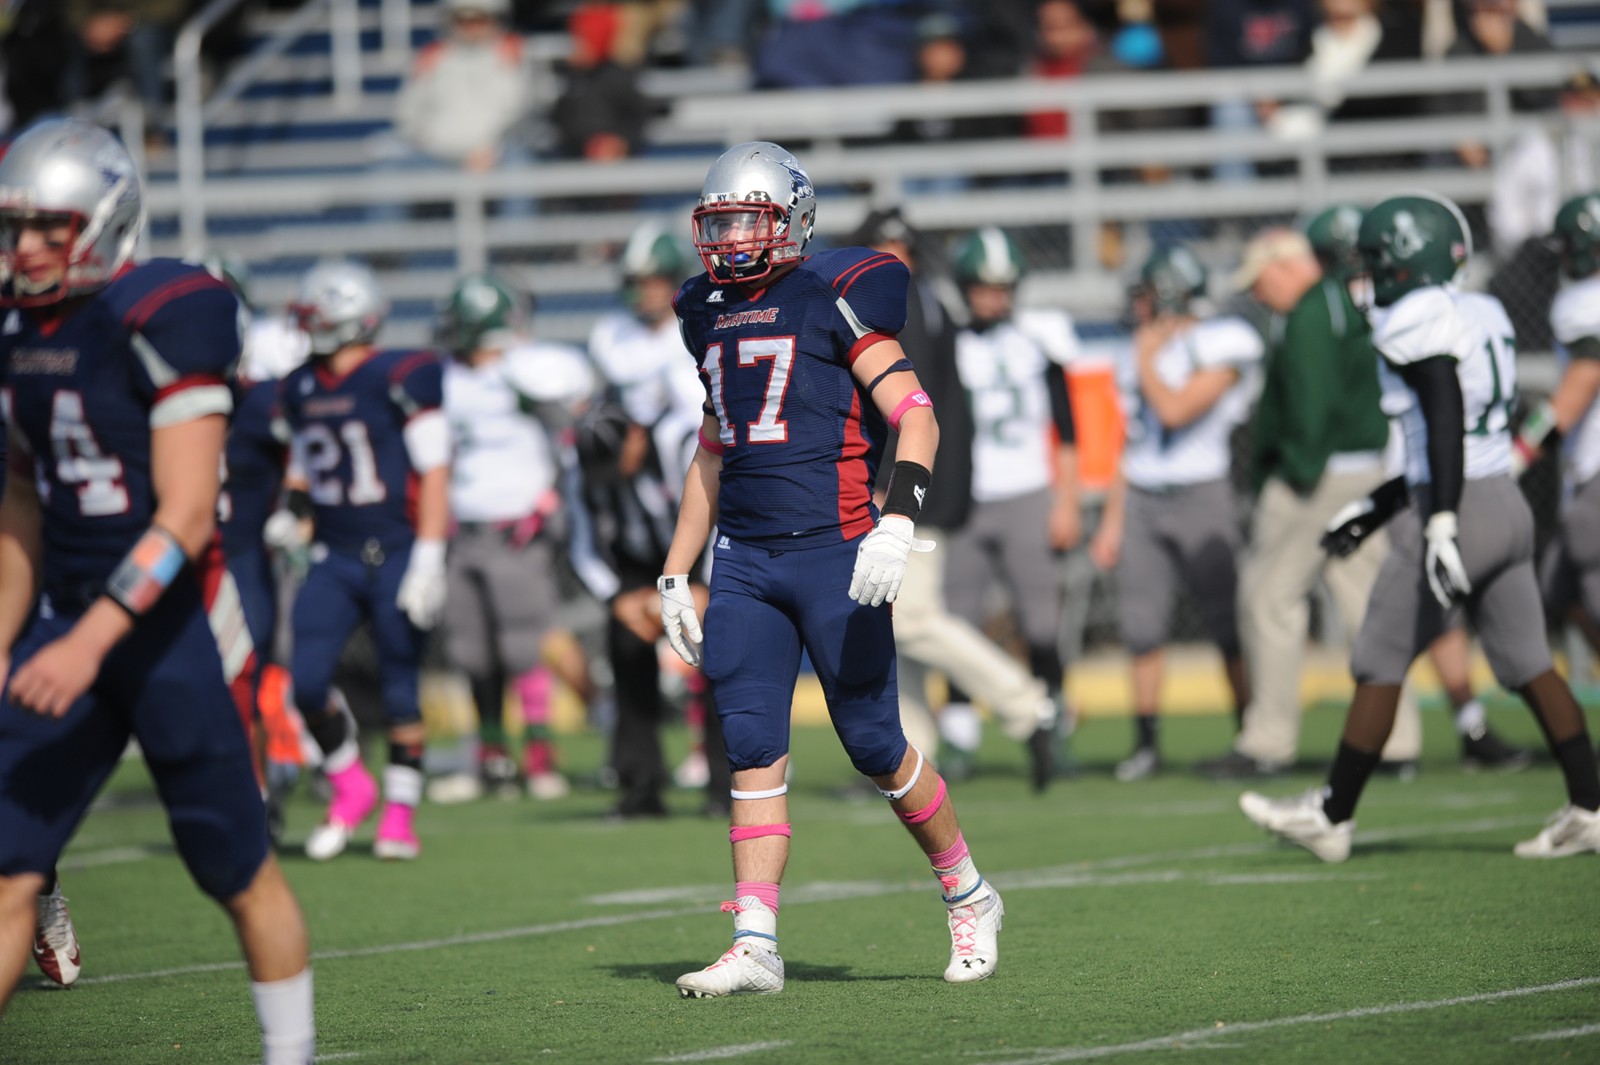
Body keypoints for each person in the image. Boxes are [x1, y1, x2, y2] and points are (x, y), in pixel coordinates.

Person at [0, 119, 314, 1062]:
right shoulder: (17, 331)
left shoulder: (167, 311)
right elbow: (22, 504)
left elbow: (182, 519)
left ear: (104, 221)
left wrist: (88, 639)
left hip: (169, 626)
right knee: (10, 869)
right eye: (14, 226)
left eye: (47, 227)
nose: (25, 247)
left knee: (238, 871)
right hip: (67, 616)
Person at [659, 141, 1004, 996]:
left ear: (793, 220)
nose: (731, 240)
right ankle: (755, 942)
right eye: (720, 223)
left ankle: (968, 889)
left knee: (875, 744)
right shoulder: (704, 309)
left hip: (836, 551)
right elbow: (714, 447)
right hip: (745, 560)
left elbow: (915, 416)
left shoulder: (833, 294)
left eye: (749, 220)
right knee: (751, 748)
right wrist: (675, 570)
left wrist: (898, 520)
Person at [1241, 192, 1600, 861]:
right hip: (1504, 502)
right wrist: (1377, 507)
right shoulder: (1481, 309)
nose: (1366, 274)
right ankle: (1591, 806)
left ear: (1408, 259)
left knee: (1378, 656)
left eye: (1376, 259)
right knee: (1528, 662)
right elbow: (1451, 430)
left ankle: (1332, 815)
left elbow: (1442, 414)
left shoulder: (1414, 317)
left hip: (1457, 505)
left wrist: (1437, 521)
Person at [850, 207, 1060, 792]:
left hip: (911, 486)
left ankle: (1027, 705)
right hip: (922, 480)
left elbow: (907, 404)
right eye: (881, 248)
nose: (892, 259)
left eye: (901, 249)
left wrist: (886, 479)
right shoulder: (924, 300)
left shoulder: (903, 302)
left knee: (913, 619)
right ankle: (910, 758)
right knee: (895, 624)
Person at [273, 259, 451, 862]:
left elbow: (435, 471)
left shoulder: (400, 375)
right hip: (334, 553)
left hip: (397, 550)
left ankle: (399, 815)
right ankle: (351, 782)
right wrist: (293, 511)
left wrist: (430, 555)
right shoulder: (301, 386)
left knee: (401, 688)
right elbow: (304, 460)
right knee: (306, 681)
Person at [1092, 246, 1258, 781]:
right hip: (1142, 494)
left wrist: (1147, 359)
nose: (1137, 306)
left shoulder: (1220, 340)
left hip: (1201, 491)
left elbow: (1175, 409)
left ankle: (1251, 733)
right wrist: (1113, 520)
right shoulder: (1135, 348)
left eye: (1146, 295)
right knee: (1141, 627)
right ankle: (1145, 744)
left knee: (1227, 622)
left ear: (1168, 294)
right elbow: (1132, 439)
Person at [429, 273, 590, 804]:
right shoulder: (447, 378)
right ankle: (491, 760)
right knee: (472, 652)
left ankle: (541, 760)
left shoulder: (525, 373)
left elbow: (570, 436)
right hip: (464, 529)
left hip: (517, 527)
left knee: (523, 648)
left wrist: (549, 498)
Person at [939, 225, 1081, 785]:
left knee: (1042, 625)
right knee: (957, 624)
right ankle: (959, 739)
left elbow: (1067, 430)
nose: (994, 298)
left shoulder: (1041, 339)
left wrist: (1066, 502)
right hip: (966, 499)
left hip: (1027, 492)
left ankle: (1054, 728)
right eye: (984, 287)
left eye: (1002, 287)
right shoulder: (948, 342)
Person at [571, 399, 732, 818]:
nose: (611, 473)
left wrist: (706, 586)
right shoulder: (584, 472)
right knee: (626, 651)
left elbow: (724, 512)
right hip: (636, 570)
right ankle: (640, 786)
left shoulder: (681, 444)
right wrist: (616, 599)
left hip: (702, 559)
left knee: (720, 657)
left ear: (636, 436)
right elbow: (581, 547)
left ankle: (726, 786)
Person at [1515, 193, 1600, 652]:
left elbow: (1578, 386)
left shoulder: (1584, 302)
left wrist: (1519, 454)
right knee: (1560, 587)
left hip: (1596, 470)